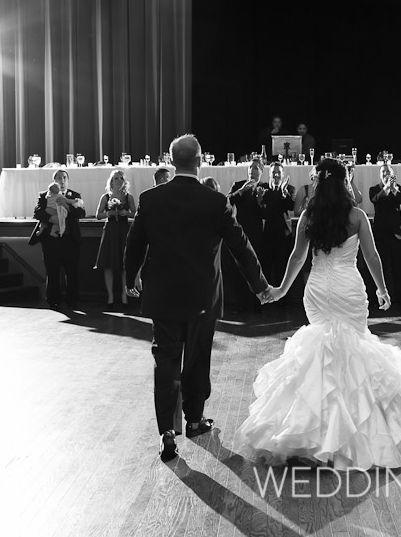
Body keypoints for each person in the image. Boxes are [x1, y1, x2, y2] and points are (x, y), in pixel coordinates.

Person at [233, 158, 401, 470]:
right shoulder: (356, 215)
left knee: (320, 349)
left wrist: (282, 289)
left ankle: (309, 434)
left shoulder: (309, 216)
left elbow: (298, 256)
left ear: (318, 183)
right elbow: (371, 255)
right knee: (352, 348)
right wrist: (382, 289)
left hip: (318, 289)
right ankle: (351, 434)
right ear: (344, 182)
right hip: (348, 288)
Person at [124, 134, 271, 462]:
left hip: (162, 294)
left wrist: (130, 277)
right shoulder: (215, 202)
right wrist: (259, 285)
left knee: (165, 361)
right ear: (200, 160)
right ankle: (193, 419)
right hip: (203, 294)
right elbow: (240, 245)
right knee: (197, 358)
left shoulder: (151, 199)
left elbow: (134, 244)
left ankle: (166, 432)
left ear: (171, 160)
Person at [33, 169, 86, 309]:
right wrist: (50, 218)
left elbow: (81, 212)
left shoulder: (74, 195)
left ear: (67, 180)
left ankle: (72, 300)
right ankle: (53, 299)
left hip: (70, 239)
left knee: (71, 271)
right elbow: (37, 212)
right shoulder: (45, 195)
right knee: (52, 270)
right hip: (51, 239)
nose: (61, 181)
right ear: (53, 180)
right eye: (58, 178)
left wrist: (67, 208)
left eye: (64, 178)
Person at [228, 159, 269, 311]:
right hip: (241, 231)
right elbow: (228, 201)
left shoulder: (265, 188)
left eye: (256, 168)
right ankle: (241, 303)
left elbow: (266, 214)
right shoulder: (239, 185)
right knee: (241, 267)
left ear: (262, 171)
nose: (252, 170)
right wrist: (242, 190)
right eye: (251, 167)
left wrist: (260, 201)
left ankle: (257, 304)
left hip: (257, 233)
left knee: (255, 267)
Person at [94, 169, 136, 308]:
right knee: (108, 264)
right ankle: (110, 297)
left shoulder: (128, 197)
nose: (118, 181)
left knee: (124, 264)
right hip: (111, 230)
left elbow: (135, 214)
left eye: (121, 178)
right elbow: (98, 215)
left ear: (125, 182)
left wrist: (126, 213)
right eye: (115, 178)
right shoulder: (105, 196)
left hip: (124, 230)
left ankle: (124, 295)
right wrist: (109, 213)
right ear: (111, 181)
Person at [368, 164, 401, 306]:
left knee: (398, 266)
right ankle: (380, 298)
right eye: (383, 172)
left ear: (392, 174)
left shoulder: (400, 188)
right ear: (380, 174)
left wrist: (393, 189)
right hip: (381, 232)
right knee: (382, 266)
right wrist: (386, 188)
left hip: (396, 232)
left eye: (388, 172)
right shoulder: (374, 189)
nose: (385, 174)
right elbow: (375, 199)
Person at [260, 162, 296, 291]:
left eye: (278, 172)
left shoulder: (289, 189)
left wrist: (283, 191)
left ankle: (283, 300)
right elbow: (263, 212)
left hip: (283, 234)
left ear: (282, 174)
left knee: (282, 267)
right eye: (273, 172)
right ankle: (266, 298)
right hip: (268, 233)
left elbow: (291, 206)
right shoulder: (263, 188)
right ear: (269, 174)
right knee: (266, 267)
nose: (276, 175)